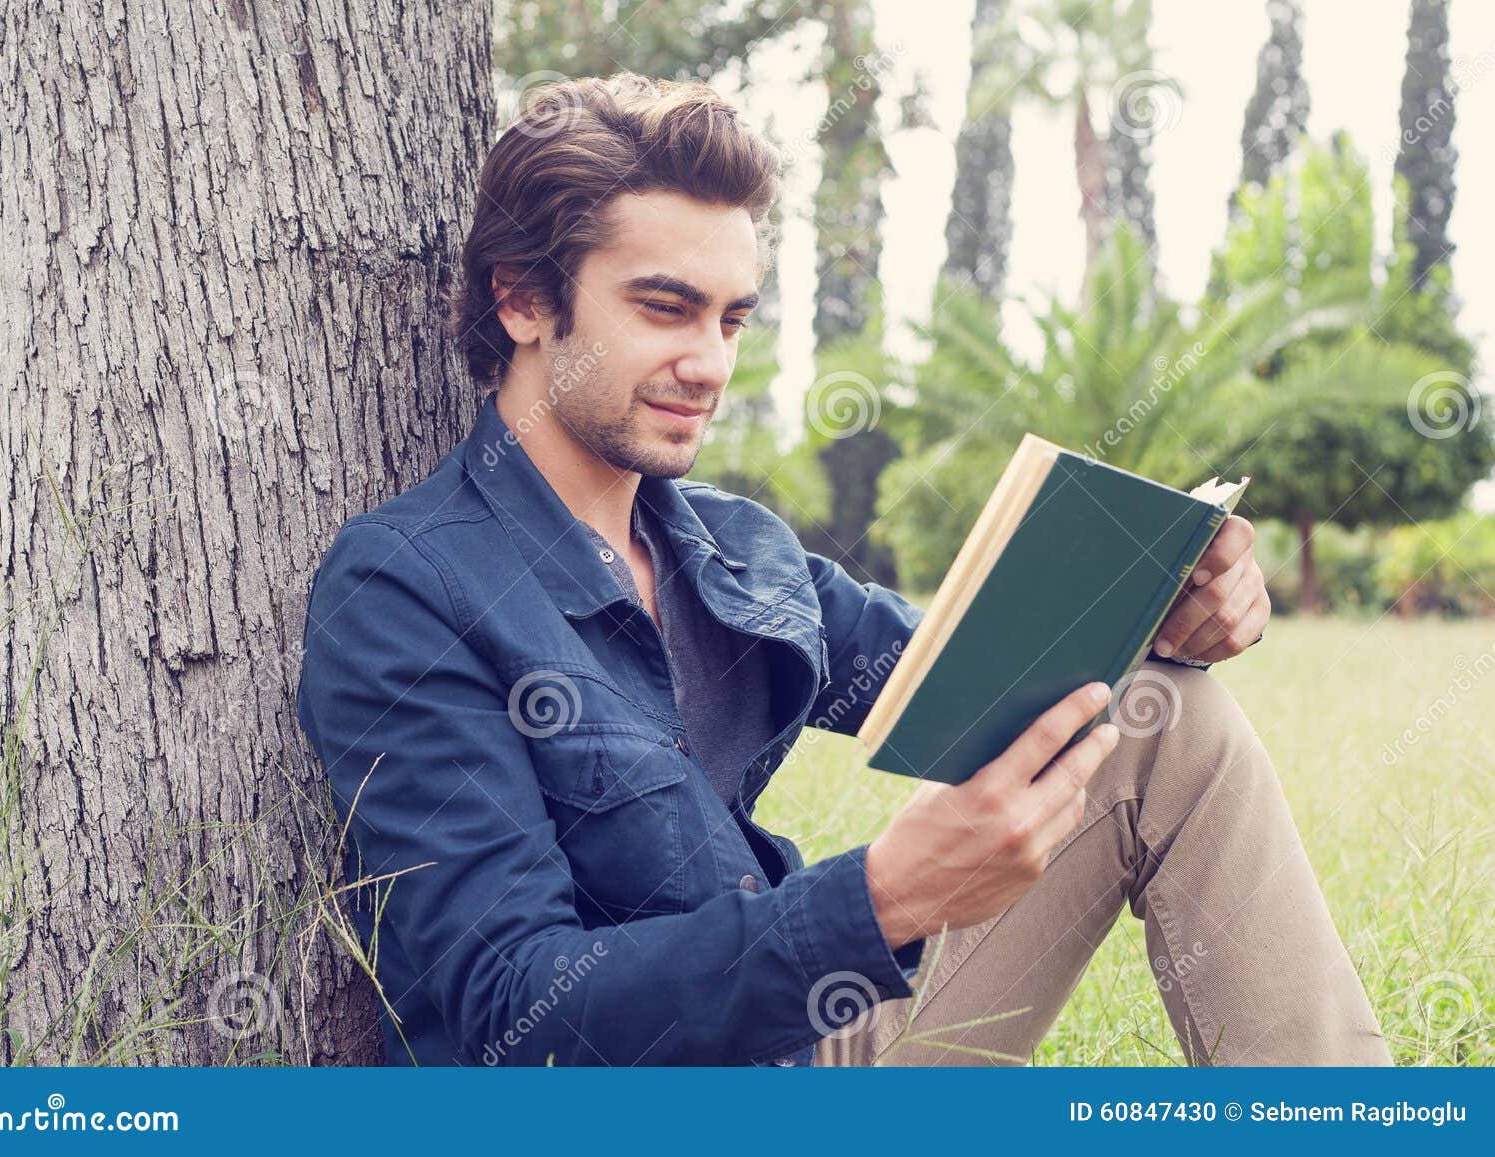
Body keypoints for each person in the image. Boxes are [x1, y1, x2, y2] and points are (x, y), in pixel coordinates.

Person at [295, 72, 1390, 1067]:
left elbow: (998, 671)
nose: (709, 364)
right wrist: (877, 899)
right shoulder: (402, 590)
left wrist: (1174, 603)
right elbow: (501, 1012)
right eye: (663, 307)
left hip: (813, 1047)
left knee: (1158, 714)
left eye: (731, 319)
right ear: (524, 300)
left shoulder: (730, 550)